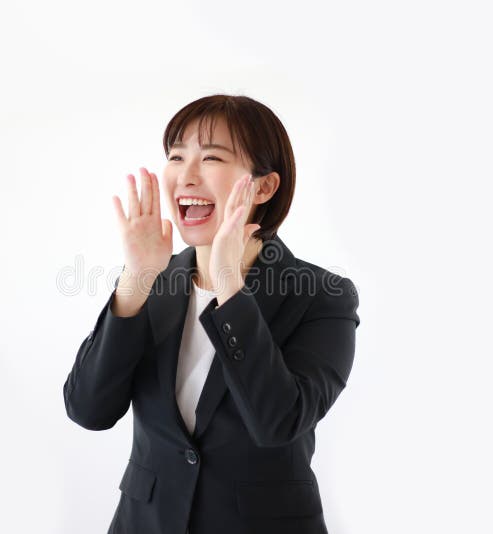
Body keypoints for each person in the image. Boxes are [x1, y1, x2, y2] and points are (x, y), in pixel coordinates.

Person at [63, 94, 360, 534]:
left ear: (263, 187)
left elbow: (279, 421)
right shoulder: (152, 283)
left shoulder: (322, 296)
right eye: (176, 156)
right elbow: (89, 410)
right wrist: (136, 278)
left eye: (212, 157)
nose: (186, 174)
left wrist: (228, 284)